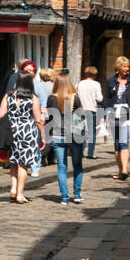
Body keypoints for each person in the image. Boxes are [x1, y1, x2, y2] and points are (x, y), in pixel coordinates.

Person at [0, 70, 46, 204]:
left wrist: (12, 116)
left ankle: (13, 189)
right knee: (23, 165)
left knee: (14, 161)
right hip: (27, 132)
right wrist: (42, 137)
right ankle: (20, 194)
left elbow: (0, 115)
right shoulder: (33, 98)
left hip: (12, 132)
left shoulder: (9, 96)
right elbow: (37, 119)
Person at [45, 72, 85, 206]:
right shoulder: (74, 97)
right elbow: (81, 115)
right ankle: (77, 194)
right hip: (74, 135)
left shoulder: (51, 98)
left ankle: (65, 197)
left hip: (57, 135)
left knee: (61, 167)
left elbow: (49, 118)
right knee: (77, 165)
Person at [102, 56, 130, 181]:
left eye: (128, 66)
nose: (127, 69)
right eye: (124, 66)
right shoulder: (110, 82)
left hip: (128, 115)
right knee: (117, 144)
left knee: (124, 142)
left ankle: (125, 170)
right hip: (113, 115)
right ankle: (120, 170)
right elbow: (106, 100)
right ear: (118, 67)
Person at [76, 65, 103, 158]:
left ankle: (80, 151)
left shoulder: (80, 83)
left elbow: (76, 96)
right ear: (94, 74)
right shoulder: (96, 84)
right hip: (91, 110)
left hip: (80, 110)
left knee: (81, 132)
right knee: (92, 132)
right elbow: (99, 98)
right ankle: (90, 153)